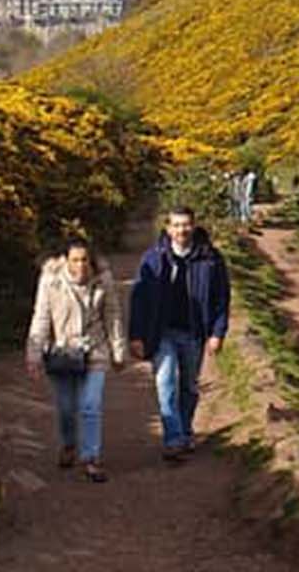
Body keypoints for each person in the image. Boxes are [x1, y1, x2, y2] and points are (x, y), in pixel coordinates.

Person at [128, 205, 231, 463]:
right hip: (161, 332)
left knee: (189, 386)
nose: (181, 230)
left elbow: (222, 297)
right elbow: (139, 299)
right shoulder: (154, 257)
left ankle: (185, 431)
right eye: (176, 225)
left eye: (185, 225)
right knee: (165, 383)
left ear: (193, 226)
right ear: (168, 228)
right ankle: (173, 440)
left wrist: (217, 332)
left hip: (194, 332)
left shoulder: (210, 258)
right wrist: (136, 335)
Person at [25, 235, 126, 483]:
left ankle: (91, 458)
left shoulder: (103, 280)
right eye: (75, 260)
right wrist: (34, 355)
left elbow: (113, 316)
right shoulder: (50, 281)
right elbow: (41, 318)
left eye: (84, 260)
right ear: (65, 260)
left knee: (91, 406)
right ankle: (68, 443)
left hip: (95, 350)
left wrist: (118, 350)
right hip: (62, 352)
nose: (80, 265)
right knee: (66, 408)